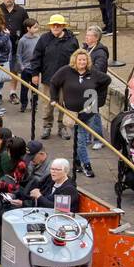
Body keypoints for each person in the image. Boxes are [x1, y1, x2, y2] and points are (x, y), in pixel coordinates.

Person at [50, 48, 109, 178]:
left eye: (84, 59)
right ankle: (81, 163)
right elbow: (54, 83)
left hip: (88, 112)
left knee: (81, 139)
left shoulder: (93, 73)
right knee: (79, 138)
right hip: (71, 112)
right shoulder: (65, 71)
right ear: (75, 60)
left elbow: (106, 80)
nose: (82, 62)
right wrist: (54, 99)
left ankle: (82, 163)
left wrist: (98, 100)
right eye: (80, 59)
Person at [27, 15, 79, 140]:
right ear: (50, 26)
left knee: (64, 104)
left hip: (66, 80)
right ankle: (47, 126)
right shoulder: (44, 39)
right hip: (48, 79)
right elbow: (36, 57)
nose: (55, 27)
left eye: (58, 25)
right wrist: (35, 74)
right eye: (53, 25)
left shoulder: (72, 40)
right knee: (47, 105)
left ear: (63, 26)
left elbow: (77, 59)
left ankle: (62, 127)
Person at [80, 25, 110, 147]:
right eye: (86, 35)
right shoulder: (86, 48)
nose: (86, 37)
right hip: (86, 85)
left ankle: (98, 140)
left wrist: (84, 67)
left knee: (94, 113)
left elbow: (99, 70)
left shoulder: (100, 53)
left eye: (89, 35)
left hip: (95, 88)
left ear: (96, 38)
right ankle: (87, 138)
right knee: (86, 112)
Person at [15, 18, 40, 114]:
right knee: (24, 89)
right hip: (26, 69)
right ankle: (23, 104)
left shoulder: (38, 38)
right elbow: (18, 54)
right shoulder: (22, 40)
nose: (37, 29)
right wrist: (22, 67)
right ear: (28, 28)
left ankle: (34, 104)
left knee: (35, 89)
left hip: (35, 69)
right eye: (35, 27)